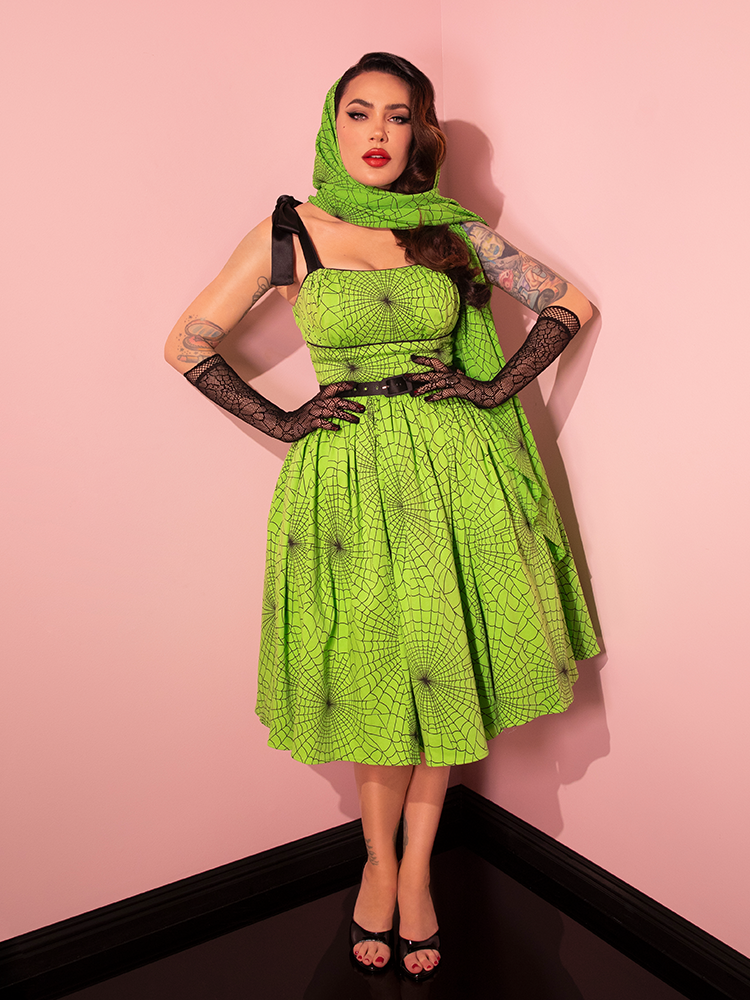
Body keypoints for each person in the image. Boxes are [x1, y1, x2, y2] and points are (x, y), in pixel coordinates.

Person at [164, 52, 599, 982]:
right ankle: (376, 861)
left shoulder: (448, 229)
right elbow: (187, 342)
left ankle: (417, 872)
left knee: (442, 660)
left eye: (398, 116)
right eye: (359, 112)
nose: (378, 133)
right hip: (347, 480)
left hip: (456, 471)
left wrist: (494, 388)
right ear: (333, 125)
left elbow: (569, 304)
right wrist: (283, 420)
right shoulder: (291, 231)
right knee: (374, 669)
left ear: (419, 133)